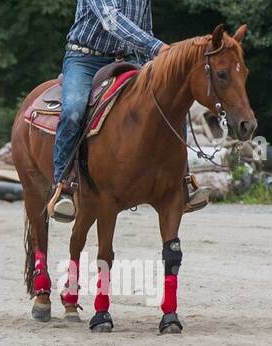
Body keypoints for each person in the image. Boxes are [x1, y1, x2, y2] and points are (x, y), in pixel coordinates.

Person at [49, 0, 210, 222]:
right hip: (85, 59)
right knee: (74, 110)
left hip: (128, 60)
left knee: (170, 102)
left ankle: (183, 181)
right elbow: (111, 20)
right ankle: (63, 186)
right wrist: (157, 48)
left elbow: (145, 29)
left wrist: (159, 63)